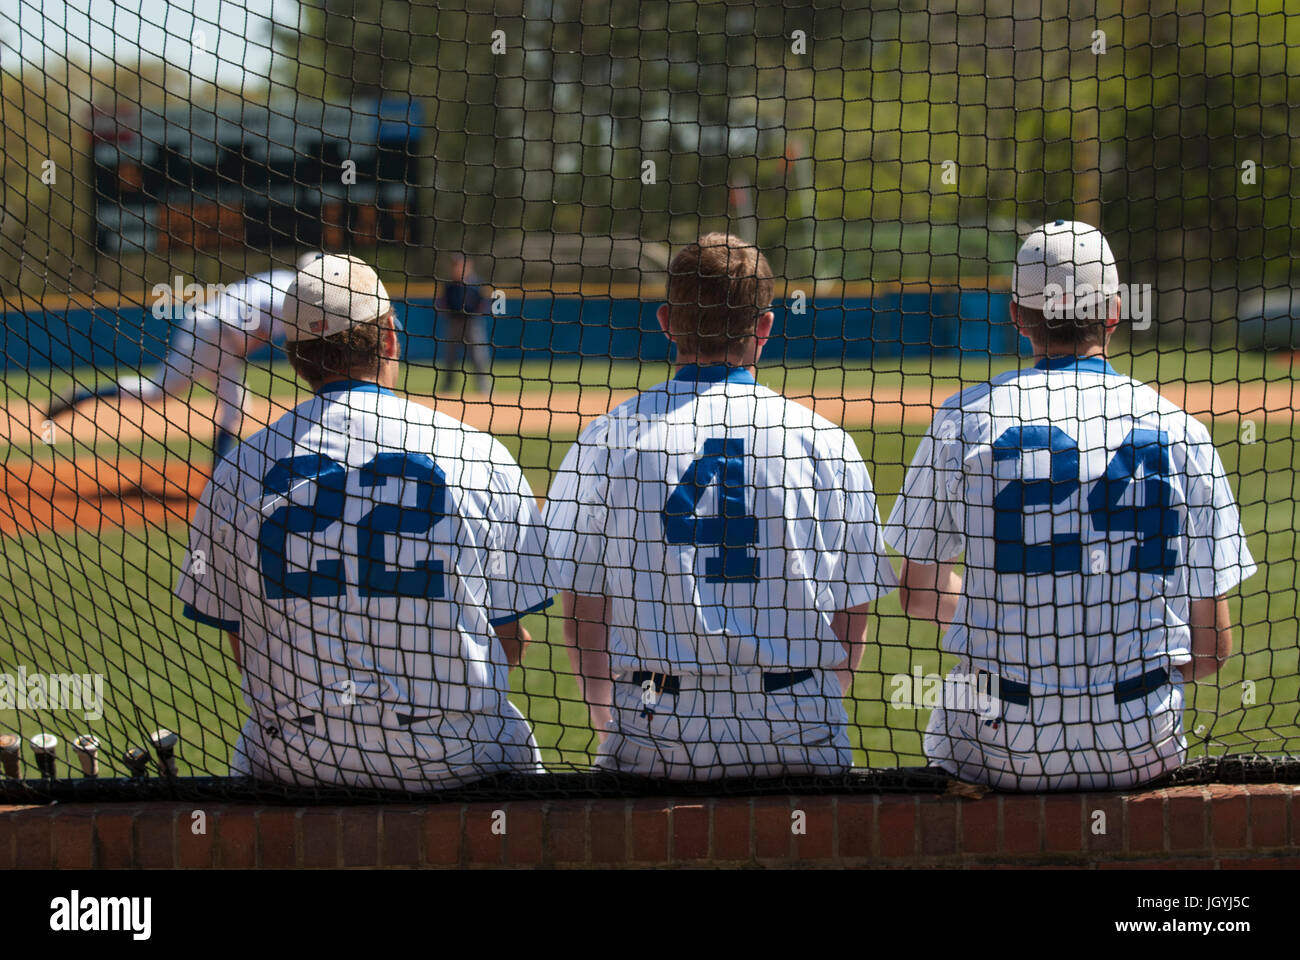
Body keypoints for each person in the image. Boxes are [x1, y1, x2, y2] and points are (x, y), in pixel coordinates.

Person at [885, 219, 1258, 791]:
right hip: (1137, 738)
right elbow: (1211, 652)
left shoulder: (964, 419)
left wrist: (1014, 602)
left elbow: (919, 593)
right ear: (1113, 312)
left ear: (1016, 316)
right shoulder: (1181, 431)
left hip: (1001, 735)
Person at [174, 254, 551, 791]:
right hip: (454, 757)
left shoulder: (236, 470)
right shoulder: (478, 454)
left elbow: (245, 647)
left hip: (300, 759)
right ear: (391, 341)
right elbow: (510, 640)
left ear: (295, 357)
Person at [543, 233, 897, 780]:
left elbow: (583, 606)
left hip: (657, 720)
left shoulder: (609, 438)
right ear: (765, 327)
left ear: (665, 320)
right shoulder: (823, 441)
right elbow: (853, 615)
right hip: (793, 717)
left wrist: (610, 721)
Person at [44, 254, 324, 461]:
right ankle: (82, 397)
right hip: (211, 336)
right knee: (158, 392)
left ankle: (218, 473)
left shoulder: (279, 279)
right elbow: (276, 333)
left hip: (220, 341)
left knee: (235, 407)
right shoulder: (290, 295)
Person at [433, 254, 492, 394]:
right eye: (454, 265)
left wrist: (475, 313)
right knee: (450, 357)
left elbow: (485, 303)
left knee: (479, 356)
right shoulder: (449, 285)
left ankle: (483, 387)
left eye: (459, 264)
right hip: (454, 323)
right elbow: (441, 302)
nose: (456, 268)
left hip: (473, 324)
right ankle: (447, 387)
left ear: (469, 266)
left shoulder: (477, 283)